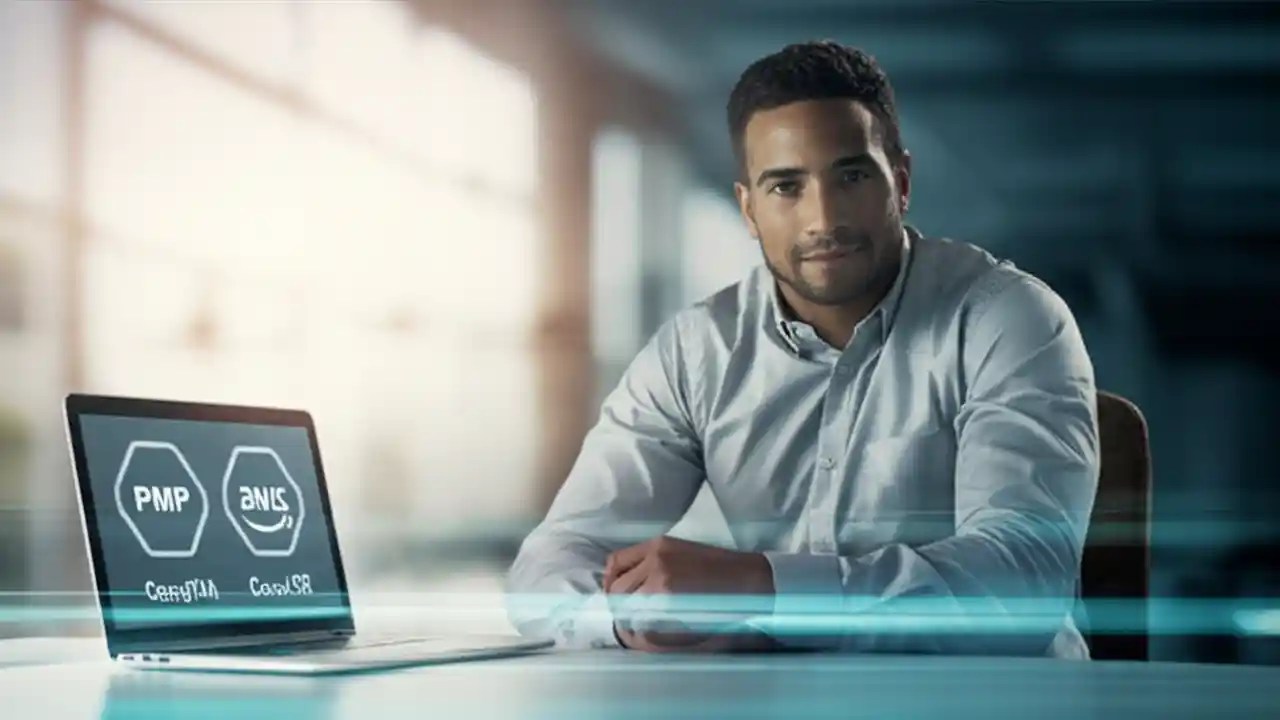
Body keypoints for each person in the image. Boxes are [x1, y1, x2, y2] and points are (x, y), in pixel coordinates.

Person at [506, 40, 1099, 658]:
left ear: (899, 182)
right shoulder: (695, 352)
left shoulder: (1008, 318)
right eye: (786, 187)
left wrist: (761, 587)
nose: (823, 218)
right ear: (749, 210)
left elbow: (1022, 585)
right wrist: (627, 623)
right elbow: (550, 563)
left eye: (850, 176)